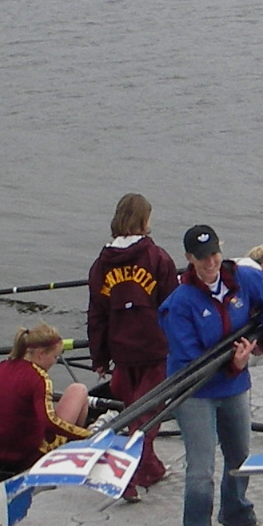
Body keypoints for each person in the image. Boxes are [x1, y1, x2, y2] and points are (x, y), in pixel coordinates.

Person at [161, 222, 263, 526]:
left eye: (215, 254)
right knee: (201, 470)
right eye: (202, 258)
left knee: (241, 455)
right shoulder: (180, 302)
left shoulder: (244, 279)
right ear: (189, 259)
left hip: (234, 385)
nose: (210, 263)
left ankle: (236, 511)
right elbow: (191, 360)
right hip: (194, 390)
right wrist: (235, 364)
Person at [87, 193, 177, 501]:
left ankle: (151, 468)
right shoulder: (158, 259)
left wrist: (99, 357)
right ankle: (131, 474)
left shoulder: (101, 265)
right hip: (154, 349)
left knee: (133, 412)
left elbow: (97, 313)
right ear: (144, 221)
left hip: (121, 351)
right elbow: (171, 307)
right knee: (148, 416)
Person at [0, 324, 92, 480]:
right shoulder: (39, 378)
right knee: (79, 390)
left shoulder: (2, 366)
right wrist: (87, 435)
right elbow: (49, 421)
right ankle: (74, 445)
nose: (55, 361)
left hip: (1, 452)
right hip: (31, 455)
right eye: (55, 356)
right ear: (40, 354)